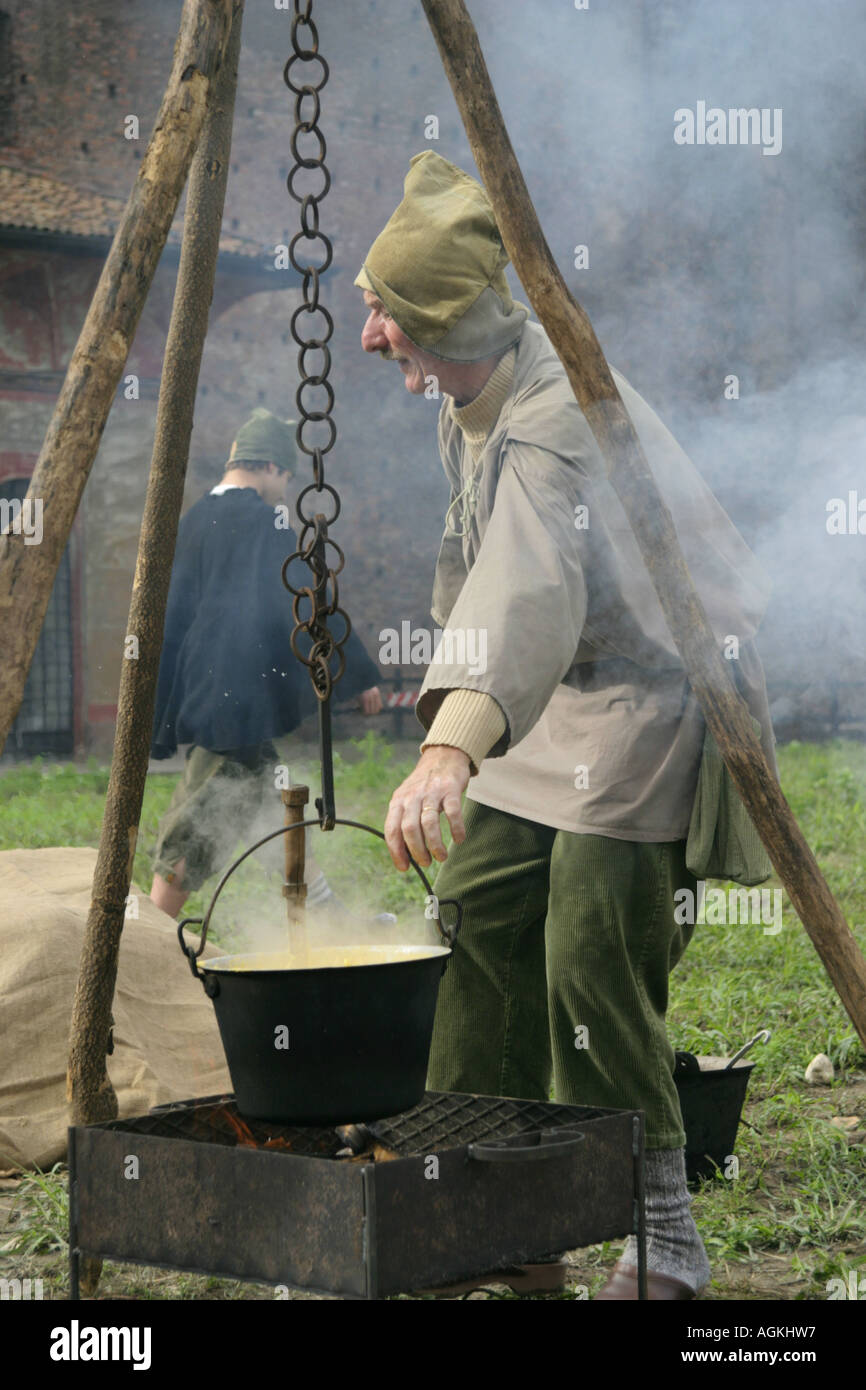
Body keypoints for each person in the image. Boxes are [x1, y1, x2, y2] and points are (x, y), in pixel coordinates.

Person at [355, 152, 777, 1300]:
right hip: (543, 696)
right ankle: (486, 1208)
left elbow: (533, 581)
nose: (368, 338)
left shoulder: (553, 413)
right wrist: (463, 727)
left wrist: (452, 739)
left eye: (389, 316)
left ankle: (662, 1229)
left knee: (589, 943)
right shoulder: (475, 385)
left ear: (453, 320)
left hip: (650, 688)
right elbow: (479, 566)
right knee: (474, 909)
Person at [149, 407, 384, 920]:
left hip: (209, 697)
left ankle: (328, 920)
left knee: (281, 808)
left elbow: (172, 612)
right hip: (232, 709)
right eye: (287, 478)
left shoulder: (193, 520)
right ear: (274, 468)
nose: (285, 490)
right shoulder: (265, 521)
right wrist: (356, 673)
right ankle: (150, 940)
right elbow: (306, 599)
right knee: (196, 830)